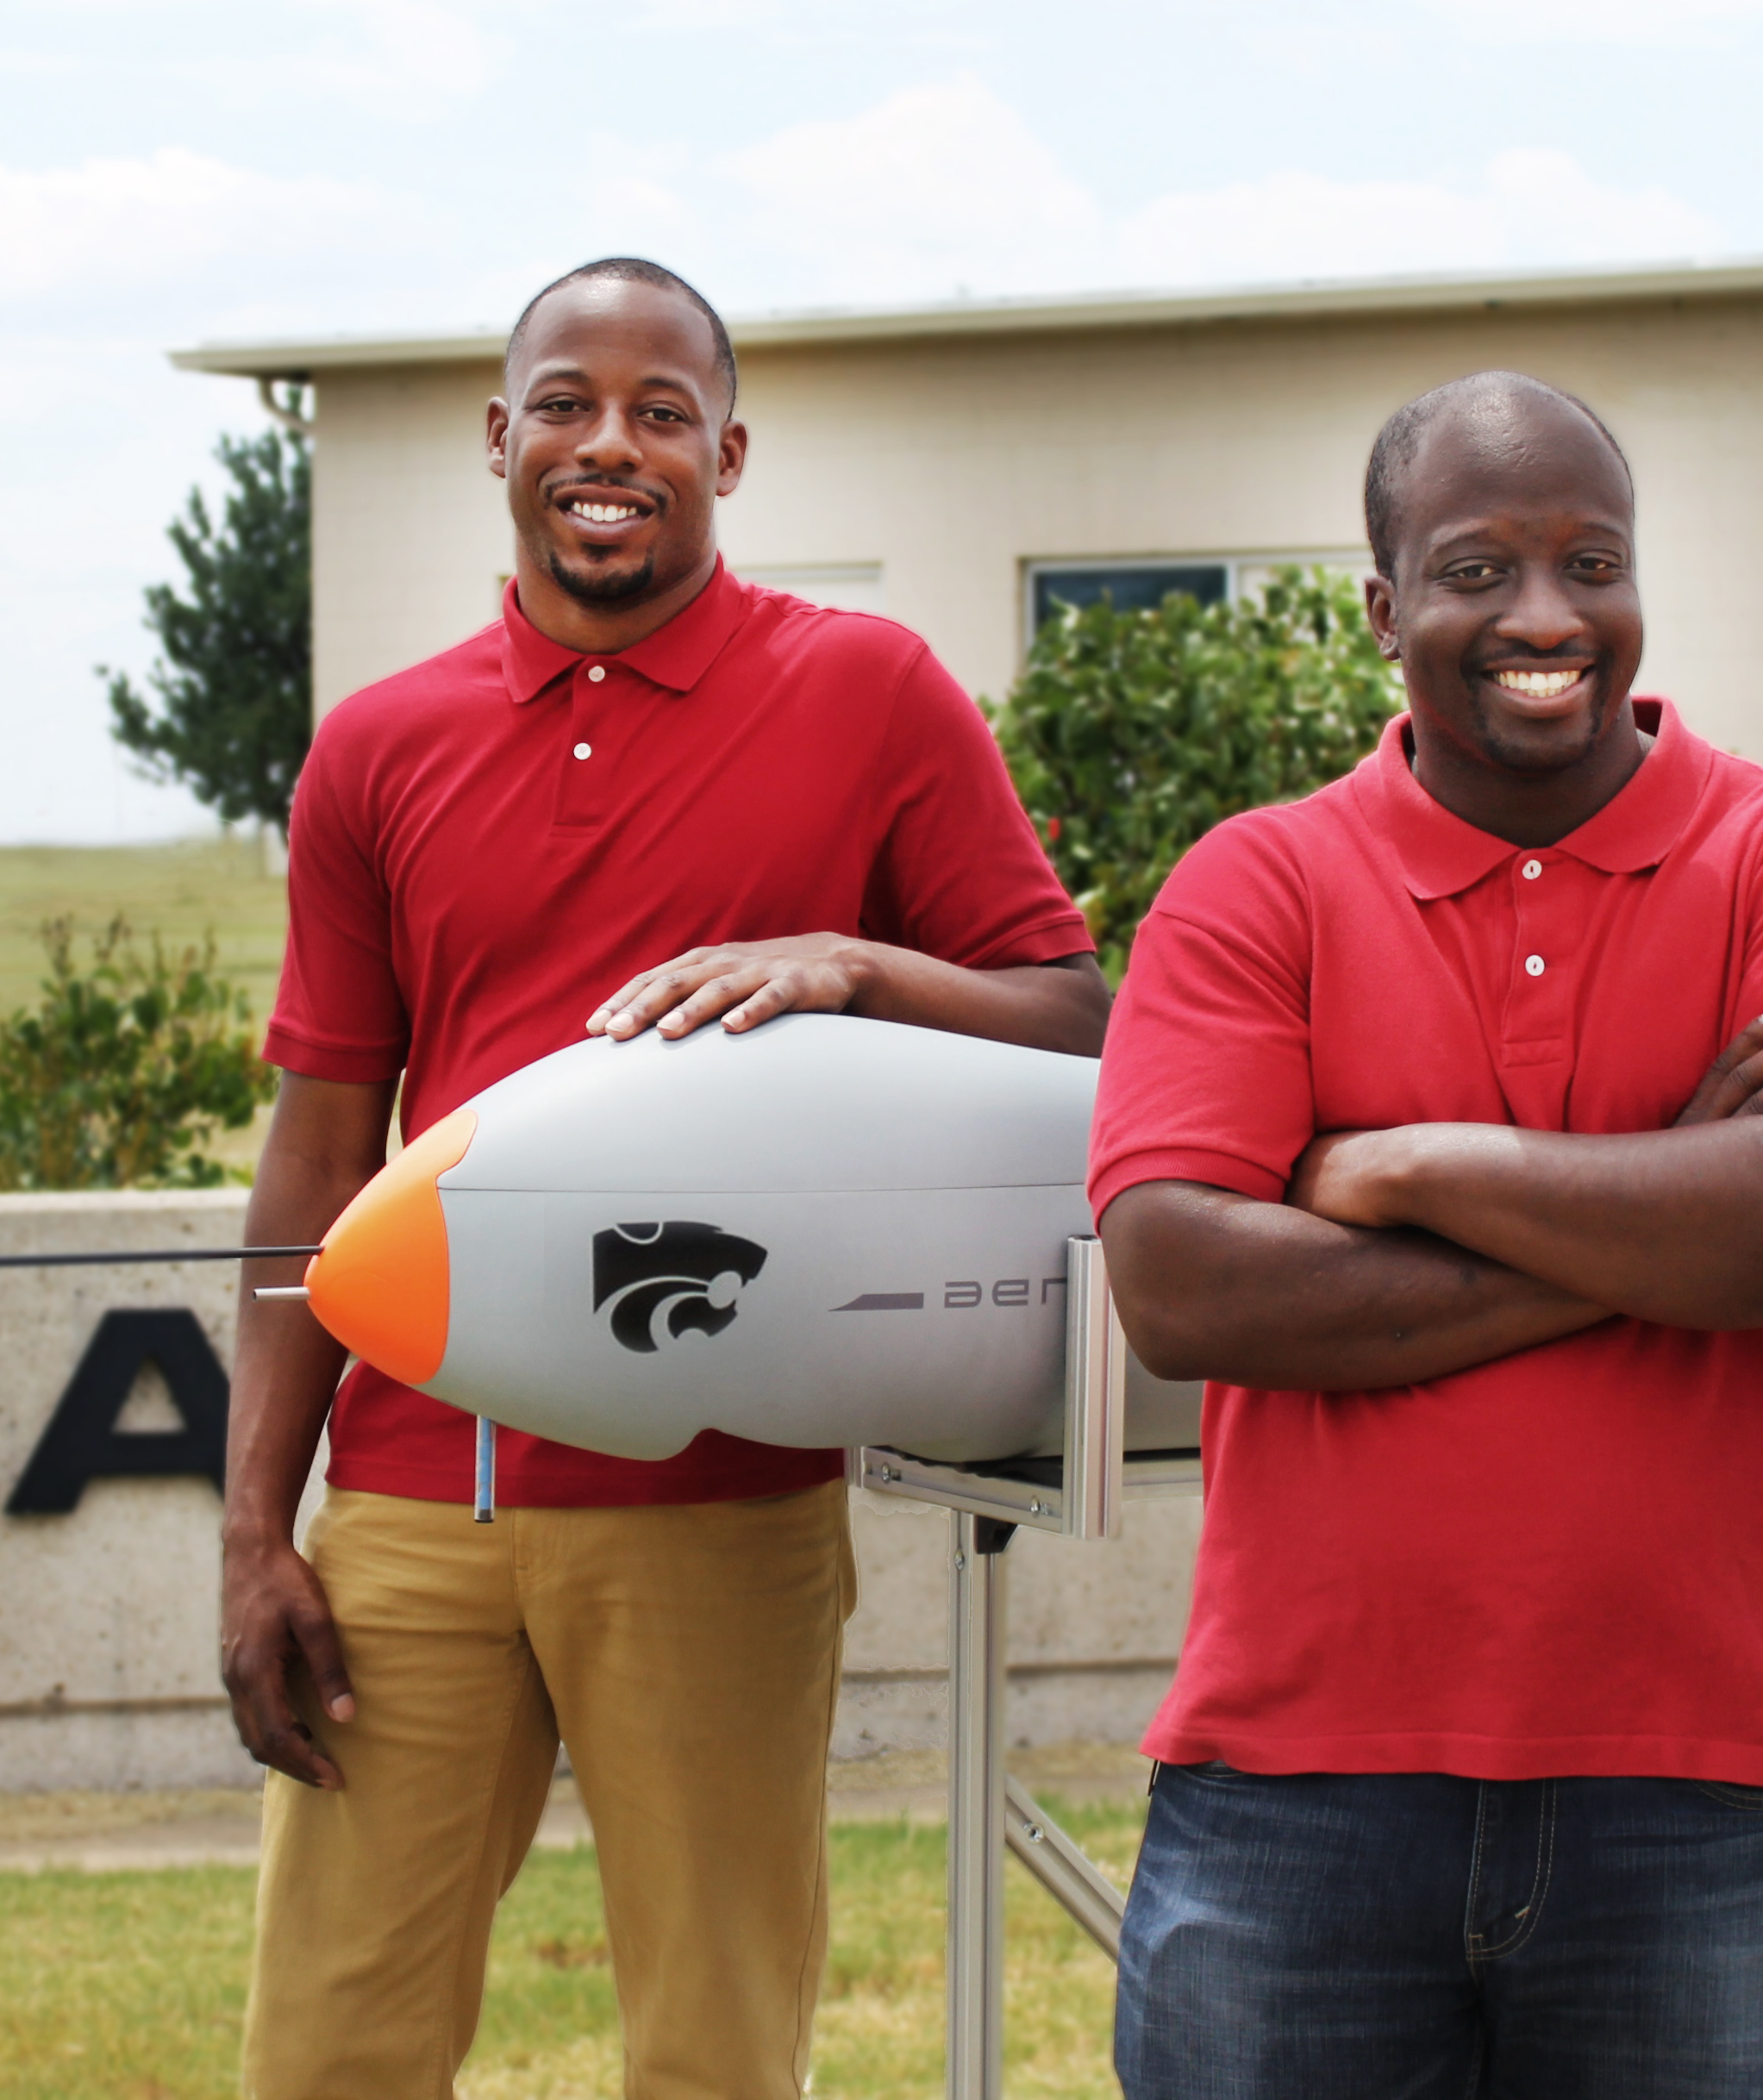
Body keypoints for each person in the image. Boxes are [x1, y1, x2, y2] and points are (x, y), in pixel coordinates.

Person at [222, 256, 1105, 2100]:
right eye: (564, 402)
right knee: (328, 2054)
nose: (607, 445)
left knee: (716, 2053)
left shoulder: (867, 691)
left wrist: (852, 964)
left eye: (659, 411)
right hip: (408, 1498)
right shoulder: (380, 744)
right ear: (500, 437)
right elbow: (319, 1151)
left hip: (724, 1496)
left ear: (730, 449)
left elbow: (1069, 1012)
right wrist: (253, 1528)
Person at [1091, 370, 1763, 2099]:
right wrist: (1669, 1205)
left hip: (1724, 1769)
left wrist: (1412, 1163)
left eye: (1593, 560)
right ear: (1384, 610)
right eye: (1479, 569)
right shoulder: (1257, 884)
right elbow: (1184, 1285)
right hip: (1306, 1771)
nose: (1547, 616)